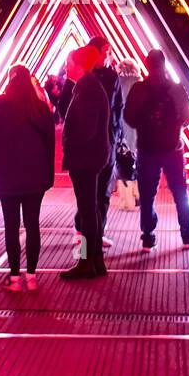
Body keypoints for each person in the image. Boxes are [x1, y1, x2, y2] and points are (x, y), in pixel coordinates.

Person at [0, 65, 55, 291]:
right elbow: (50, 145)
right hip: (35, 178)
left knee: (11, 227)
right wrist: (48, 175)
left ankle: (14, 277)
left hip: (7, 178)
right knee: (33, 226)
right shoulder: (41, 109)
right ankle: (32, 276)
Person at [124, 48, 189, 251]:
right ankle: (187, 235)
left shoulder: (139, 89)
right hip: (173, 148)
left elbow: (128, 117)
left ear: (147, 65)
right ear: (164, 64)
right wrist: (176, 125)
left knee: (147, 195)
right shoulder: (175, 89)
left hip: (147, 148)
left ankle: (148, 236)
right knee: (181, 193)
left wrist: (144, 124)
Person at [60, 46, 111, 279]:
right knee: (92, 210)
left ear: (79, 65)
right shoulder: (88, 87)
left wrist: (70, 142)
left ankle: (85, 261)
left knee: (87, 211)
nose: (67, 65)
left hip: (85, 158)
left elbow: (86, 130)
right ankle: (95, 260)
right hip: (92, 156)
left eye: (69, 61)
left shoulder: (87, 90)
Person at [73, 36, 122, 256]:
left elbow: (118, 108)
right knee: (91, 198)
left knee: (97, 196)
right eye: (108, 51)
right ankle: (88, 251)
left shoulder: (103, 78)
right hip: (98, 145)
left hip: (100, 145)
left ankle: (89, 249)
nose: (110, 55)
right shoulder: (93, 79)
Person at [110, 59, 141, 211]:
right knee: (138, 164)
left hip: (122, 131)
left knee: (123, 166)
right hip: (138, 130)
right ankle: (138, 194)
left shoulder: (116, 84)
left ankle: (126, 202)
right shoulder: (140, 84)